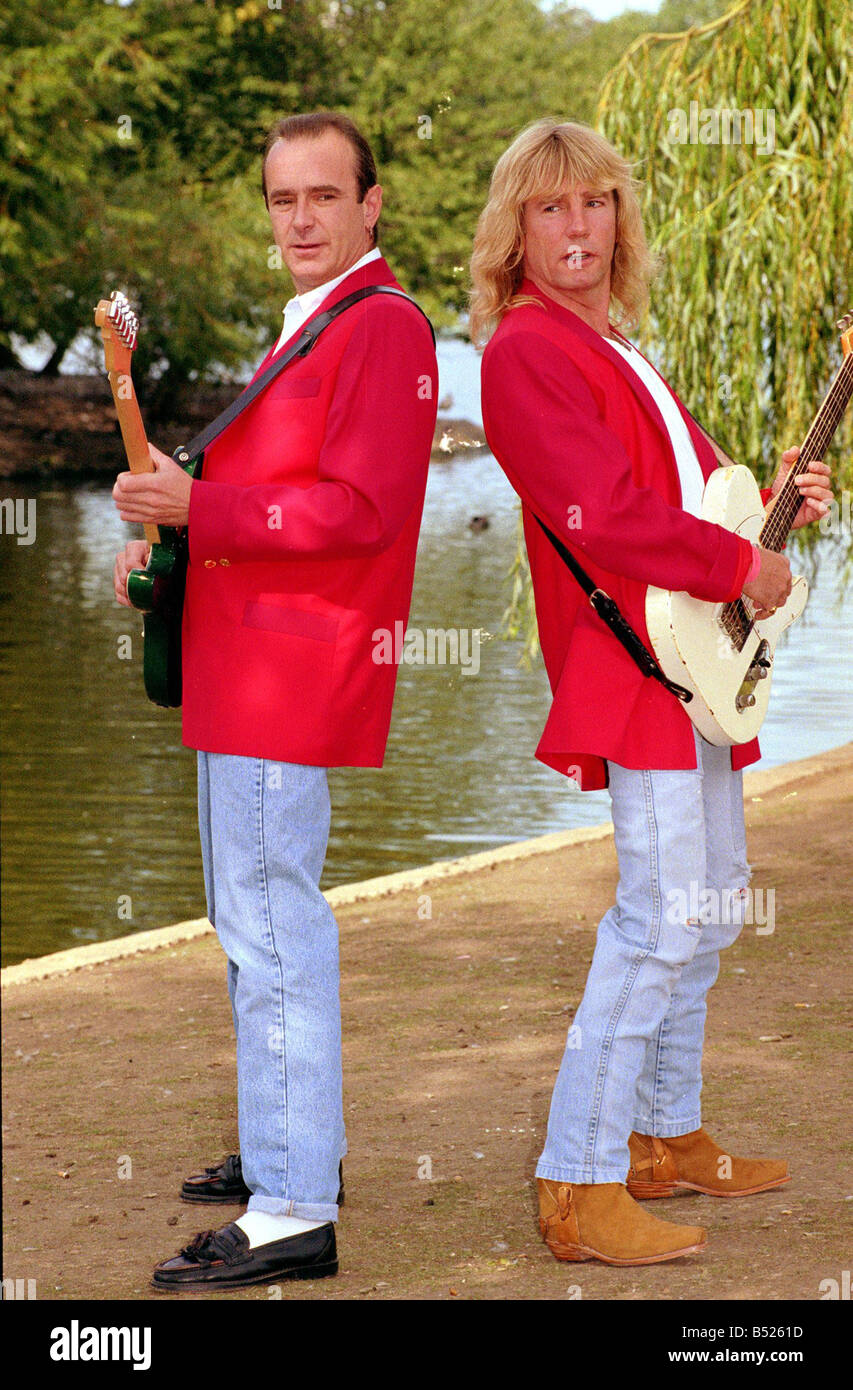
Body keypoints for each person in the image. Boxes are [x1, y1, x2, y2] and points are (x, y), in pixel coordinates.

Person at [471, 119, 832, 1267]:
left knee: (714, 895)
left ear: (619, 222)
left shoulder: (619, 345)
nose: (577, 225)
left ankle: (662, 1134)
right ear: (513, 233)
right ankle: (575, 1181)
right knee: (658, 912)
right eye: (550, 208)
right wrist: (741, 567)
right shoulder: (524, 350)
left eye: (595, 204)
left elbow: (693, 497)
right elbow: (598, 512)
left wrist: (771, 507)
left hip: (691, 664)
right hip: (632, 663)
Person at [113, 111, 437, 1289]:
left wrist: (205, 515)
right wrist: (169, 534)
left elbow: (364, 510)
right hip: (250, 662)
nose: (298, 219)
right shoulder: (320, 320)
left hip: (288, 670)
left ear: (370, 204)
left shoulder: (386, 325)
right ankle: (289, 1149)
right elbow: (270, 485)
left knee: (272, 922)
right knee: (251, 921)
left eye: (321, 197)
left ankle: (293, 1203)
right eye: (280, 200)